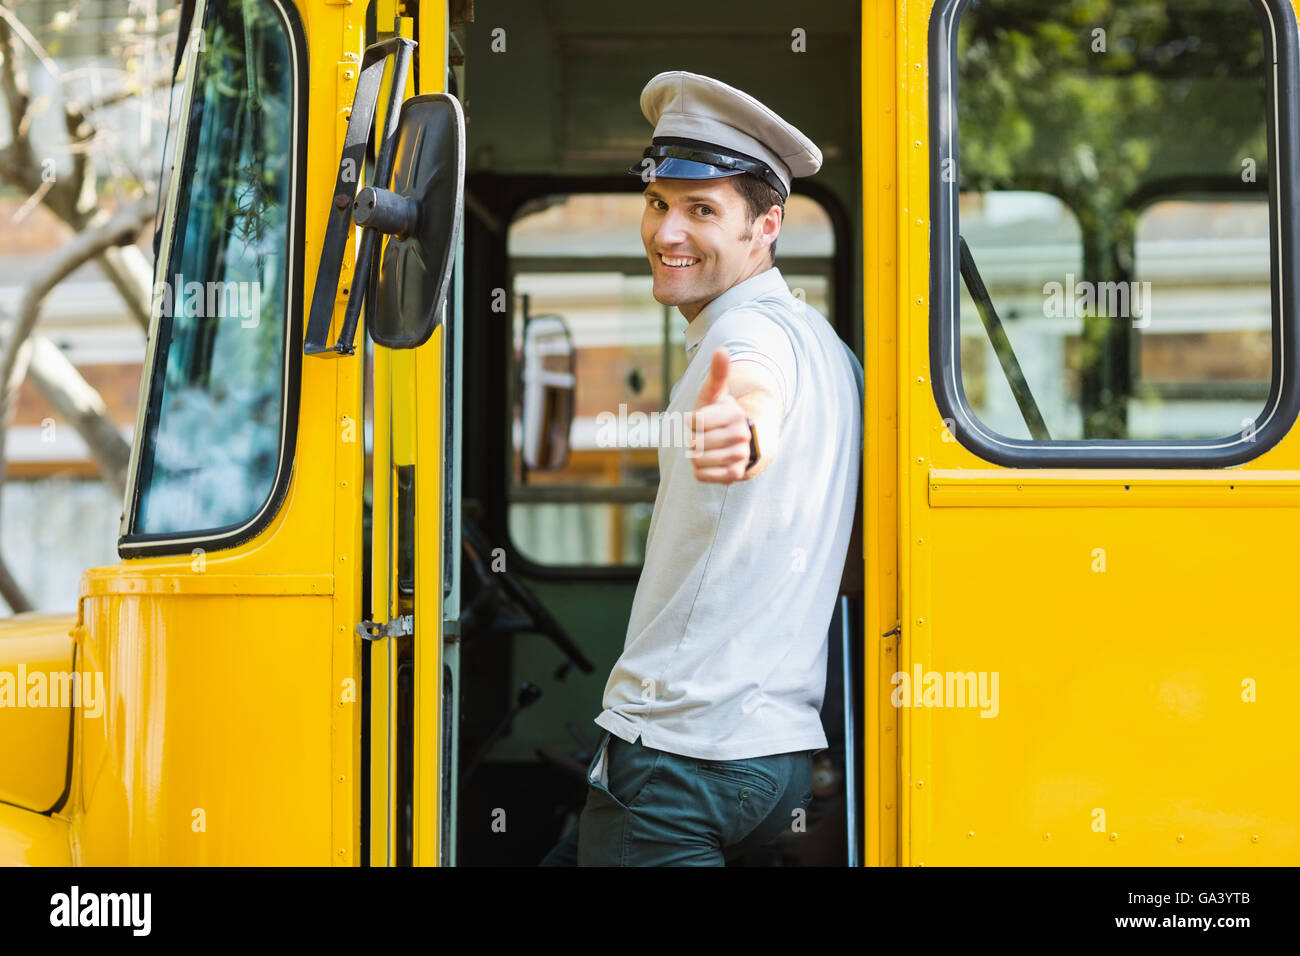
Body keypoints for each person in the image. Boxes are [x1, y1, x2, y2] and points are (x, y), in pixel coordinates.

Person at [540, 70, 863, 866]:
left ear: (766, 228)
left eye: (702, 210)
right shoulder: (827, 348)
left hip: (680, 759)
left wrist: (739, 430)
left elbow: (750, 394)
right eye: (659, 204)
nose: (666, 232)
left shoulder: (739, 342)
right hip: (775, 763)